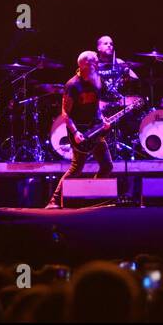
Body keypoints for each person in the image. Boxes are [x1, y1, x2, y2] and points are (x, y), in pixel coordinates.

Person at [47, 52, 114, 208]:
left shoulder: (96, 81)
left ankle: (93, 196)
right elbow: (65, 113)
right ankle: (54, 200)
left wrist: (103, 119)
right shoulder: (73, 85)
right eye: (95, 62)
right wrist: (75, 133)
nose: (98, 65)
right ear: (84, 64)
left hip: (95, 130)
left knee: (107, 165)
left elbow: (96, 106)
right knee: (76, 168)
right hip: (80, 131)